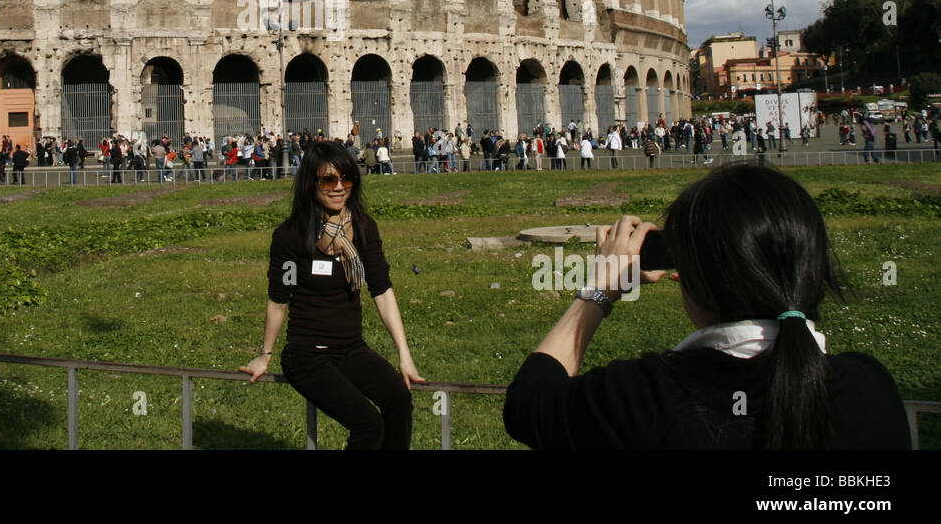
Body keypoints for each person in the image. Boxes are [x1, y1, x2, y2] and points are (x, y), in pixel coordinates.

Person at [502, 163, 910, 449]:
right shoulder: (870, 390)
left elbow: (528, 404)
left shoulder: (643, 397)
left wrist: (600, 289)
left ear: (689, 277)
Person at [240, 141, 423, 449]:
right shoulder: (291, 235)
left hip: (350, 348)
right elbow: (278, 299)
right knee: (368, 425)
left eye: (347, 178)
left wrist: (404, 356)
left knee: (399, 400)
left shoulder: (364, 228)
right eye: (329, 180)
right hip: (307, 354)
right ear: (311, 183)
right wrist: (266, 354)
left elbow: (382, 291)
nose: (339, 187)